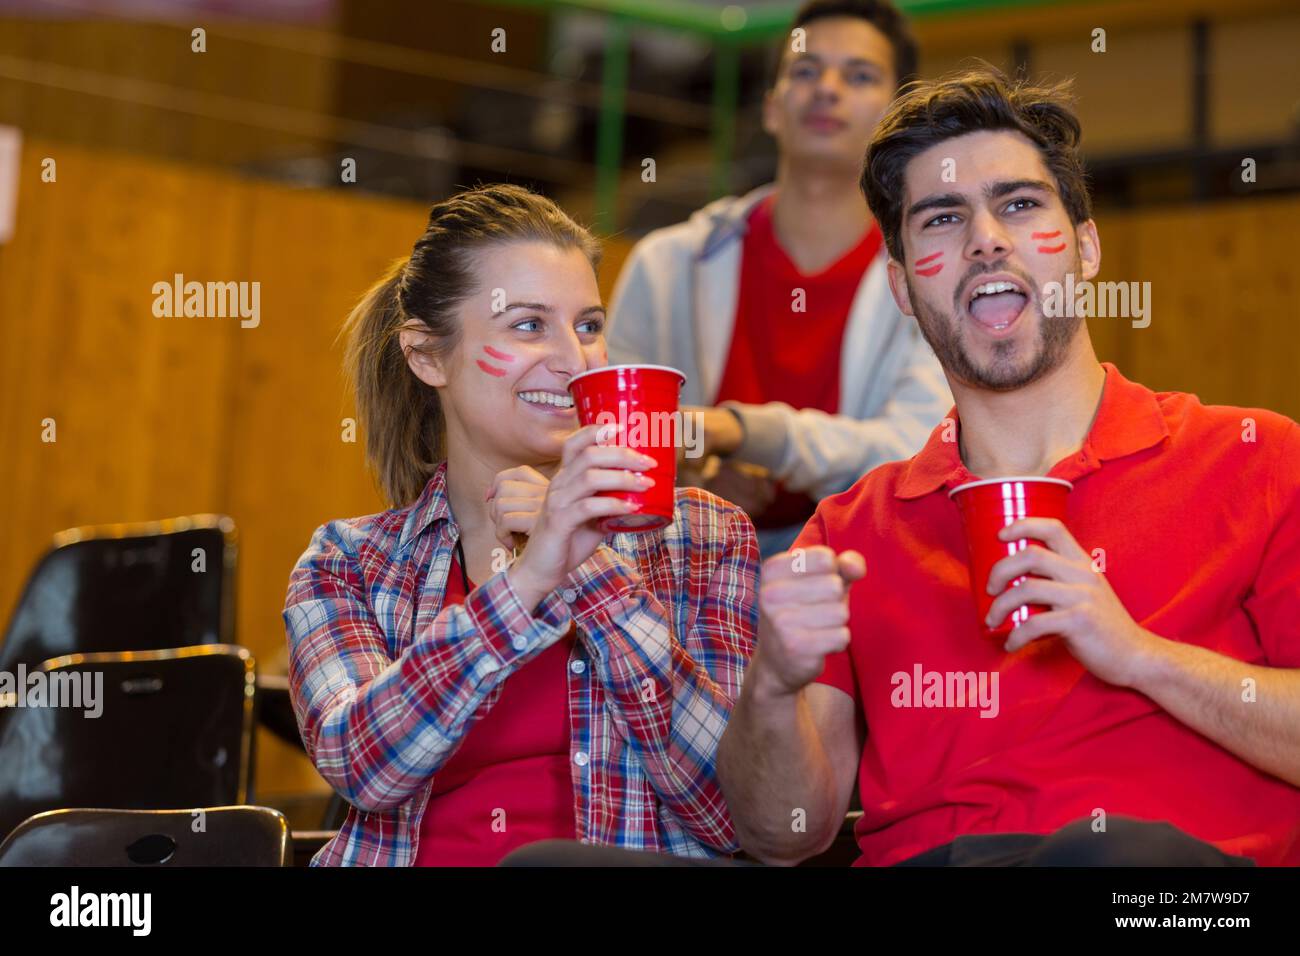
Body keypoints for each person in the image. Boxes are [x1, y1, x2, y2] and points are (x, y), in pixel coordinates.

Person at [717, 67, 1300, 866]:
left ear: (1087, 250)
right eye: (941, 218)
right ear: (900, 287)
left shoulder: (1256, 459)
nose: (985, 237)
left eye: (1020, 204)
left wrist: (1139, 656)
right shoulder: (851, 534)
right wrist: (772, 688)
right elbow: (783, 836)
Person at [283, 183, 758, 866]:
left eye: (588, 326)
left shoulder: (705, 537)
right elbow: (364, 764)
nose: (574, 360)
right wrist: (528, 583)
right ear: (427, 356)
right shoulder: (347, 562)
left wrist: (589, 571)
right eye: (530, 325)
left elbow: (730, 812)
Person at [607, 0, 949, 555]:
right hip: (681, 570)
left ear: (897, 118)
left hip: (858, 575)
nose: (827, 88)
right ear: (771, 107)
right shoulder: (665, 263)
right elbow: (611, 437)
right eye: (805, 70)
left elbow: (919, 449)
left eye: (859, 75)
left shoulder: (931, 275)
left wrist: (750, 435)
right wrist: (688, 481)